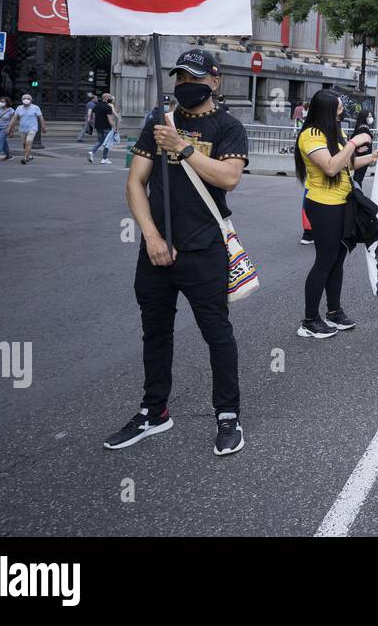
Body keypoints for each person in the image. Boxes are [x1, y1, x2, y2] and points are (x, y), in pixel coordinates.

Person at [105, 49, 250, 457]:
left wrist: (184, 149)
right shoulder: (158, 121)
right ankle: (153, 411)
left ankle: (227, 414)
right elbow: (135, 182)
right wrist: (150, 236)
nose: (186, 85)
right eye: (181, 78)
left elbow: (230, 177)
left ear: (215, 82)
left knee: (216, 334)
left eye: (195, 78)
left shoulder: (229, 127)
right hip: (156, 251)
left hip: (204, 250)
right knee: (155, 333)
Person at [294, 89, 377, 339]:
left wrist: (371, 158)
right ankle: (309, 320)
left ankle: (334, 312)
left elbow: (346, 164)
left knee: (338, 259)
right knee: (325, 260)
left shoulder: (334, 132)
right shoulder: (310, 135)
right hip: (323, 204)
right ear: (327, 110)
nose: (343, 111)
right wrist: (354, 143)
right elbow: (330, 167)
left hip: (342, 202)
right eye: (339, 108)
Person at [7, 93, 45, 165]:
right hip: (22, 128)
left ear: (31, 100)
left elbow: (40, 117)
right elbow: (14, 118)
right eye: (24, 98)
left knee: (28, 142)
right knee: (24, 144)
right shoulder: (19, 108)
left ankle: (25, 158)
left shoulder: (35, 107)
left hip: (32, 128)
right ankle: (29, 155)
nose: (26, 100)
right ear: (22, 100)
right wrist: (9, 127)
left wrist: (43, 126)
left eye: (28, 98)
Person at [87, 92, 119, 165]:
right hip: (106, 127)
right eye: (110, 97)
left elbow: (94, 116)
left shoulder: (97, 105)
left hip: (98, 126)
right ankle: (104, 159)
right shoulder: (108, 107)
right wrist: (114, 128)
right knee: (107, 143)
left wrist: (94, 124)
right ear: (106, 98)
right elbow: (110, 119)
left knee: (100, 141)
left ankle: (92, 152)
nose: (111, 99)